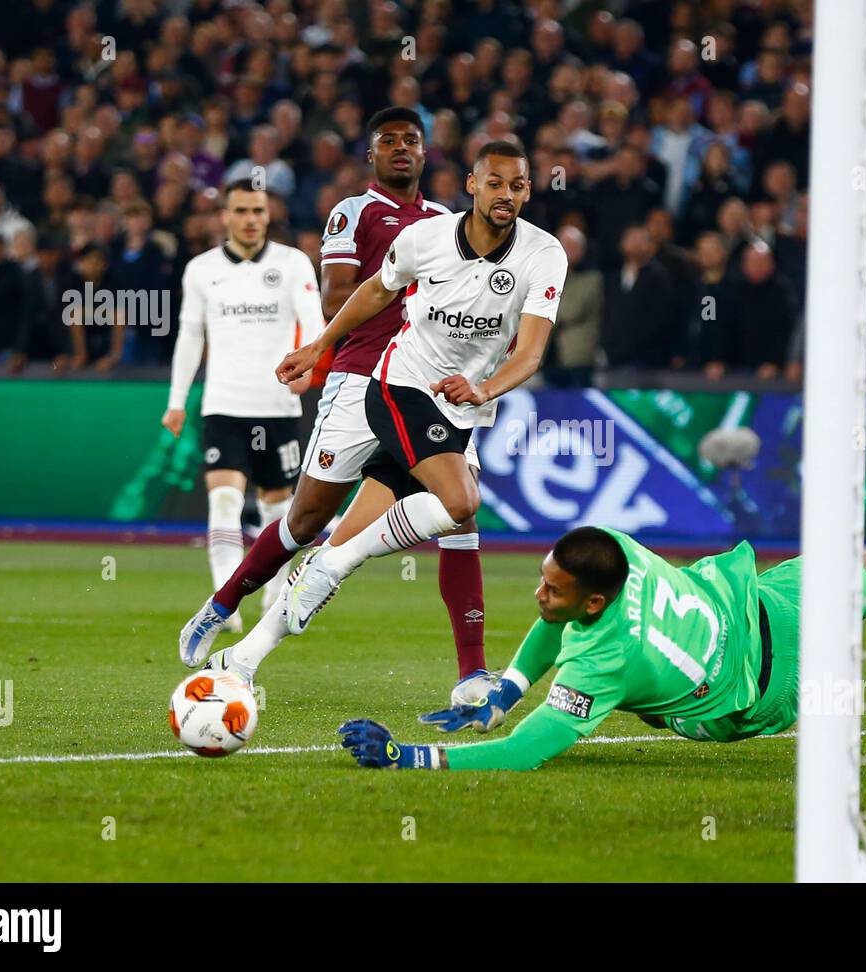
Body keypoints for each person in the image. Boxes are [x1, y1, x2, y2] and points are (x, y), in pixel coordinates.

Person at [201, 140, 569, 697]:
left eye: (517, 186)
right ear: (472, 185)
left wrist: (483, 388)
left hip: (459, 404)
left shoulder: (545, 254)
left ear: (528, 191)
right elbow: (375, 290)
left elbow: (532, 353)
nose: (506, 195)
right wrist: (321, 346)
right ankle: (466, 673)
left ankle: (243, 658)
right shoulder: (425, 238)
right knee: (461, 504)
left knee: (360, 545)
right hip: (399, 386)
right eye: (494, 183)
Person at [338, 525, 866, 771]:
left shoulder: (600, 658)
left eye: (553, 589)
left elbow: (528, 751)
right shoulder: (610, 549)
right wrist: (506, 685)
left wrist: (416, 758)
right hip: (754, 604)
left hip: (761, 685)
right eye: (543, 580)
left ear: (596, 601)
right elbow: (558, 618)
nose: (538, 595)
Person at [177, 108, 492, 708]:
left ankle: (472, 671)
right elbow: (338, 295)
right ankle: (221, 605)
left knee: (459, 515)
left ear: (426, 155)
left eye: (413, 141)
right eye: (389, 141)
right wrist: (411, 290)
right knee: (304, 522)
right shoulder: (355, 212)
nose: (402, 149)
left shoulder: (446, 223)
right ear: (371, 155)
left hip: (425, 388)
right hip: (357, 380)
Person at [163, 178, 325, 635]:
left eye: (258, 211)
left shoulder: (293, 264)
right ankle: (224, 602)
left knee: (279, 509)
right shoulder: (201, 269)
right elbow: (190, 335)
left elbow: (313, 322)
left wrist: (310, 364)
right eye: (241, 211)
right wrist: (177, 401)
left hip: (276, 405)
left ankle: (273, 592)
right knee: (225, 498)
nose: (250, 220)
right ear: (225, 216)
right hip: (223, 404)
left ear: (267, 214)